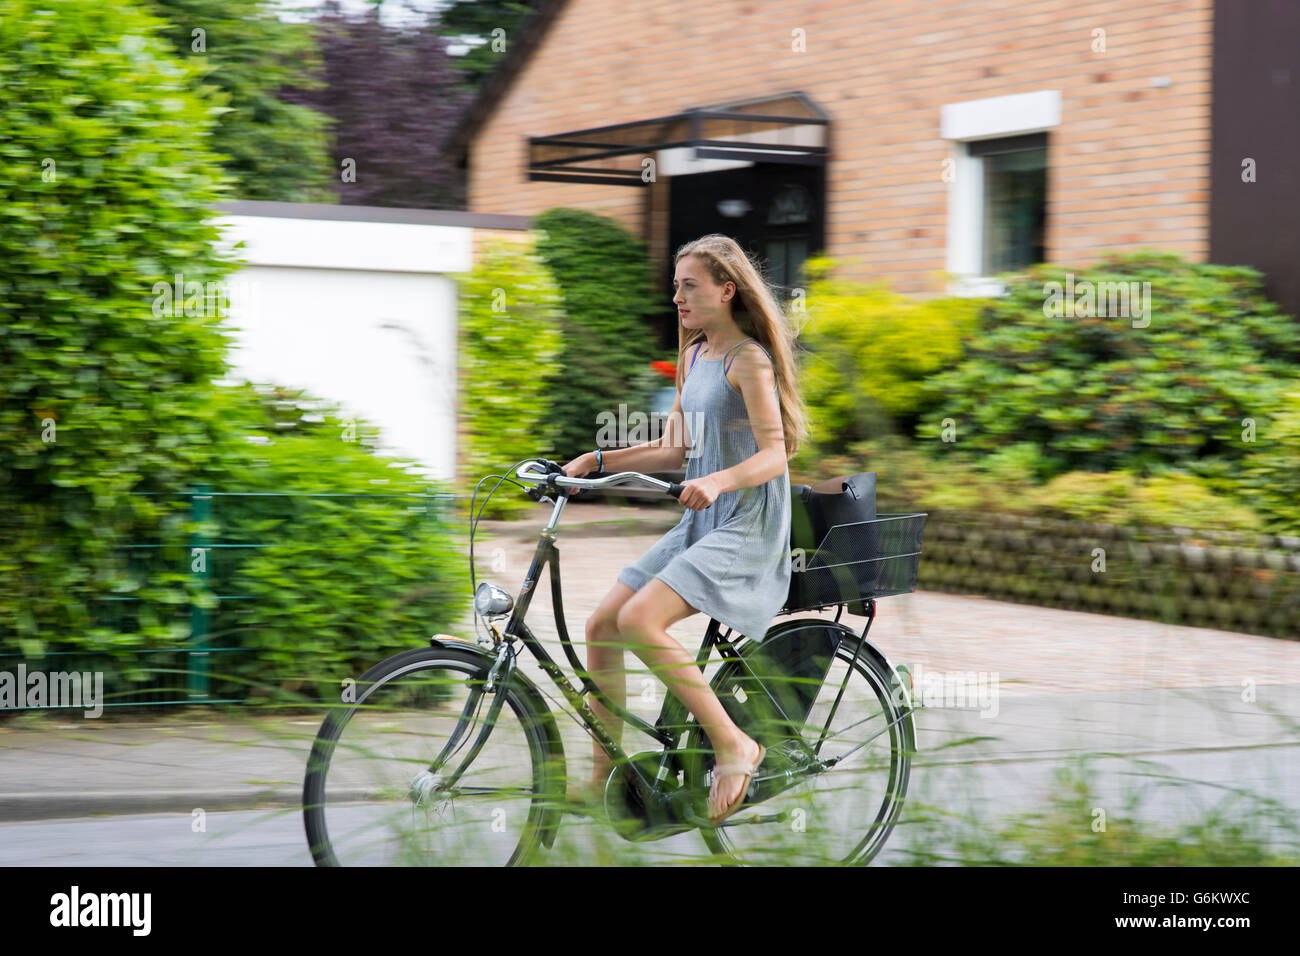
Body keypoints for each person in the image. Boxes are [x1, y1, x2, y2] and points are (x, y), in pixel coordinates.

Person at [562, 234, 810, 826]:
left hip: (746, 522)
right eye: (675, 286)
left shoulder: (748, 360)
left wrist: (722, 481)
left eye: (688, 285)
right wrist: (595, 463)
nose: (676, 297)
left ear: (727, 290)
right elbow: (674, 448)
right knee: (601, 624)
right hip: (702, 521)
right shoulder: (696, 355)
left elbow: (776, 455)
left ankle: (734, 746)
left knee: (639, 620)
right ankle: (604, 779)